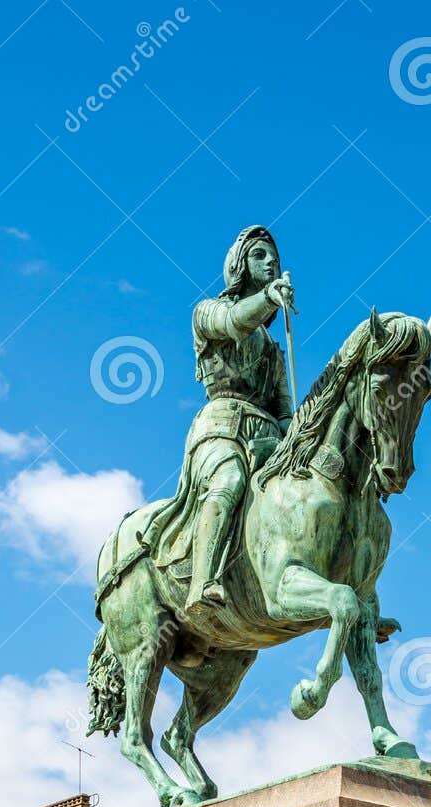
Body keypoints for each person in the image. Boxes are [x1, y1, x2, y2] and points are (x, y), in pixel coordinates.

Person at [143, 225, 295, 615]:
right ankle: (203, 580)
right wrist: (267, 297)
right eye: (260, 255)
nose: (271, 261)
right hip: (221, 430)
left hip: (266, 442)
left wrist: (285, 437)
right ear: (239, 265)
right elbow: (235, 322)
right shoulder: (208, 312)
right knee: (229, 482)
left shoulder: (275, 355)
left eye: (273, 256)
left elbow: (284, 413)